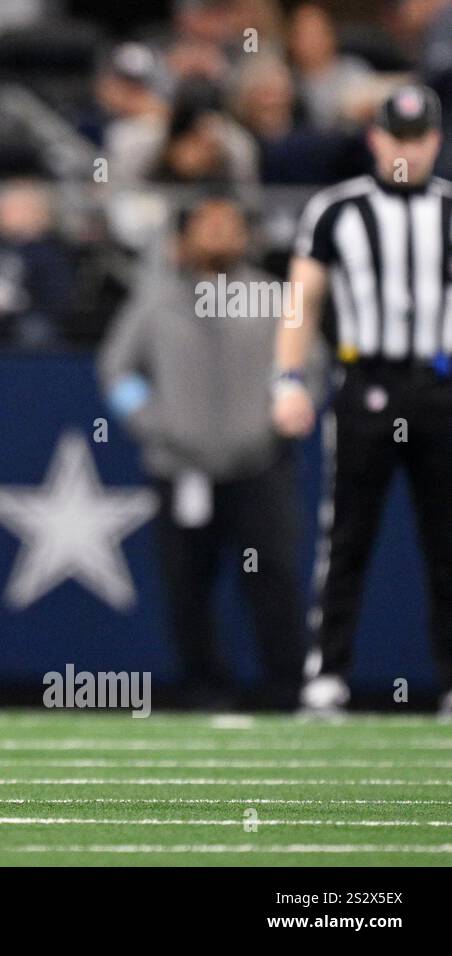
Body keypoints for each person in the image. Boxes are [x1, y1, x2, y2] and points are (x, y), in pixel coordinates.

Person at [273, 85, 452, 714]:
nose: (407, 149)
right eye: (396, 137)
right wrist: (289, 379)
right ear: (376, 138)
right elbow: (302, 302)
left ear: (435, 139)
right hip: (365, 385)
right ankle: (327, 674)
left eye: (419, 137)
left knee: (446, 543)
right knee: (345, 535)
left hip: (441, 388)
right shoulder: (337, 209)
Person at [99, 196, 306, 709]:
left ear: (246, 235)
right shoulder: (155, 300)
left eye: (228, 224)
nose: (218, 234)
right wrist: (154, 424)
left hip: (258, 465)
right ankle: (204, 687)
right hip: (181, 467)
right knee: (187, 585)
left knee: (274, 578)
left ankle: (289, 689)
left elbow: (306, 368)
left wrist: (284, 411)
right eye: (206, 225)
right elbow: (117, 370)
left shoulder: (274, 296)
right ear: (183, 239)